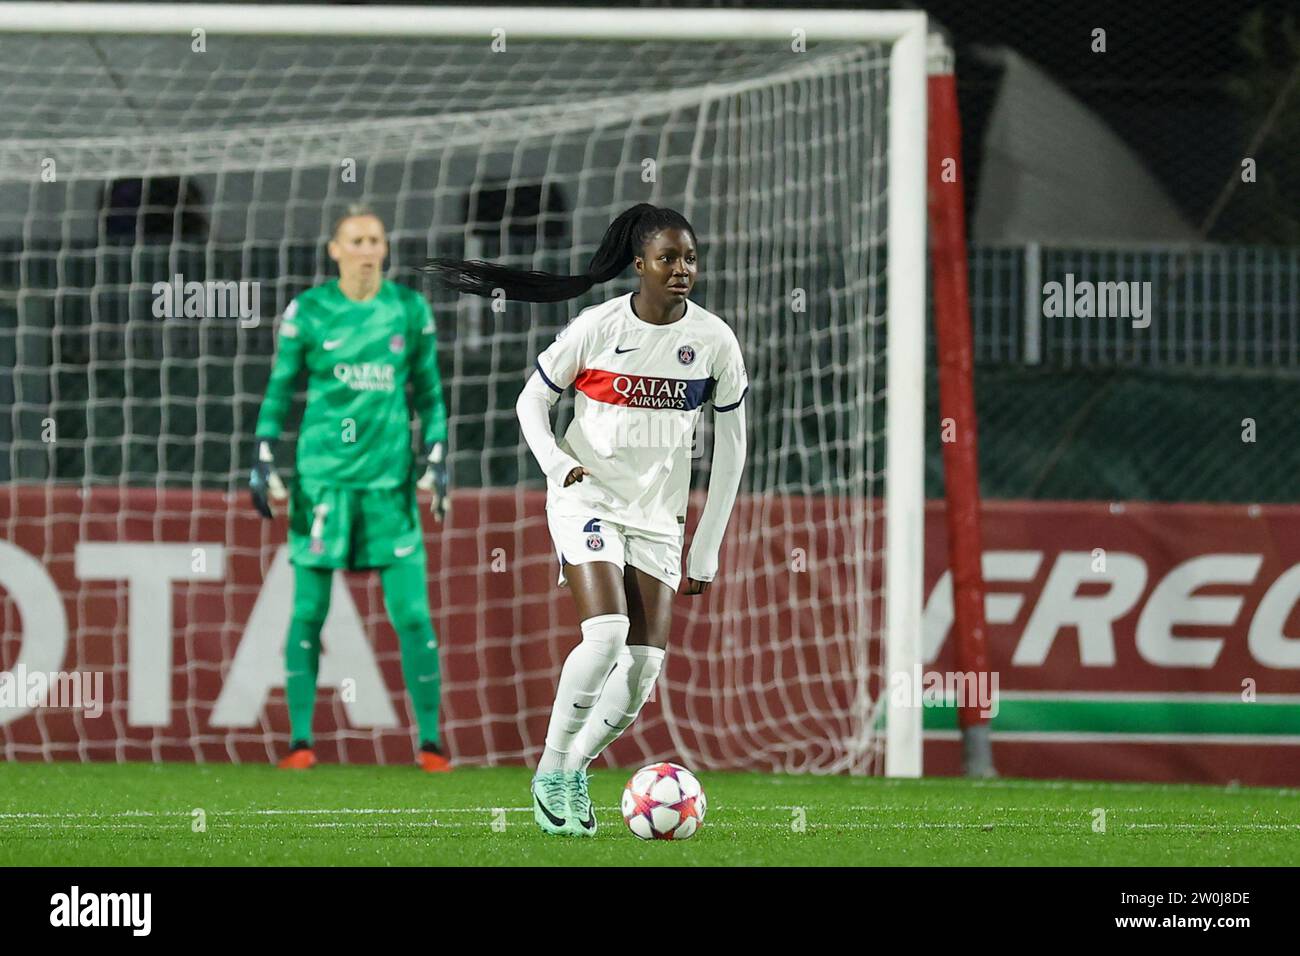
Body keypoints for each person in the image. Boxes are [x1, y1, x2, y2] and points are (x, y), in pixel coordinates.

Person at [426, 203, 747, 834]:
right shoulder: (597, 327)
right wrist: (553, 463)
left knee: (641, 672)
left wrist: (706, 547)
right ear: (639, 265)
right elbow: (532, 400)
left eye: (689, 258)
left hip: (658, 518)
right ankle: (549, 772)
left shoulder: (714, 341)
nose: (682, 269)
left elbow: (734, 449)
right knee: (605, 634)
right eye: (668, 258)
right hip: (587, 498)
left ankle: (575, 766)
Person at [251, 205, 452, 772]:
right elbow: (279, 389)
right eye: (356, 240)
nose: (367, 249)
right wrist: (263, 453)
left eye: (375, 240)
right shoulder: (309, 312)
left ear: (384, 250)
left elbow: (430, 395)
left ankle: (432, 743)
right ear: (335, 250)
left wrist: (437, 454)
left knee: (412, 615)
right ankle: (298, 743)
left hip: (389, 486)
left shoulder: (408, 310)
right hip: (322, 486)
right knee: (308, 613)